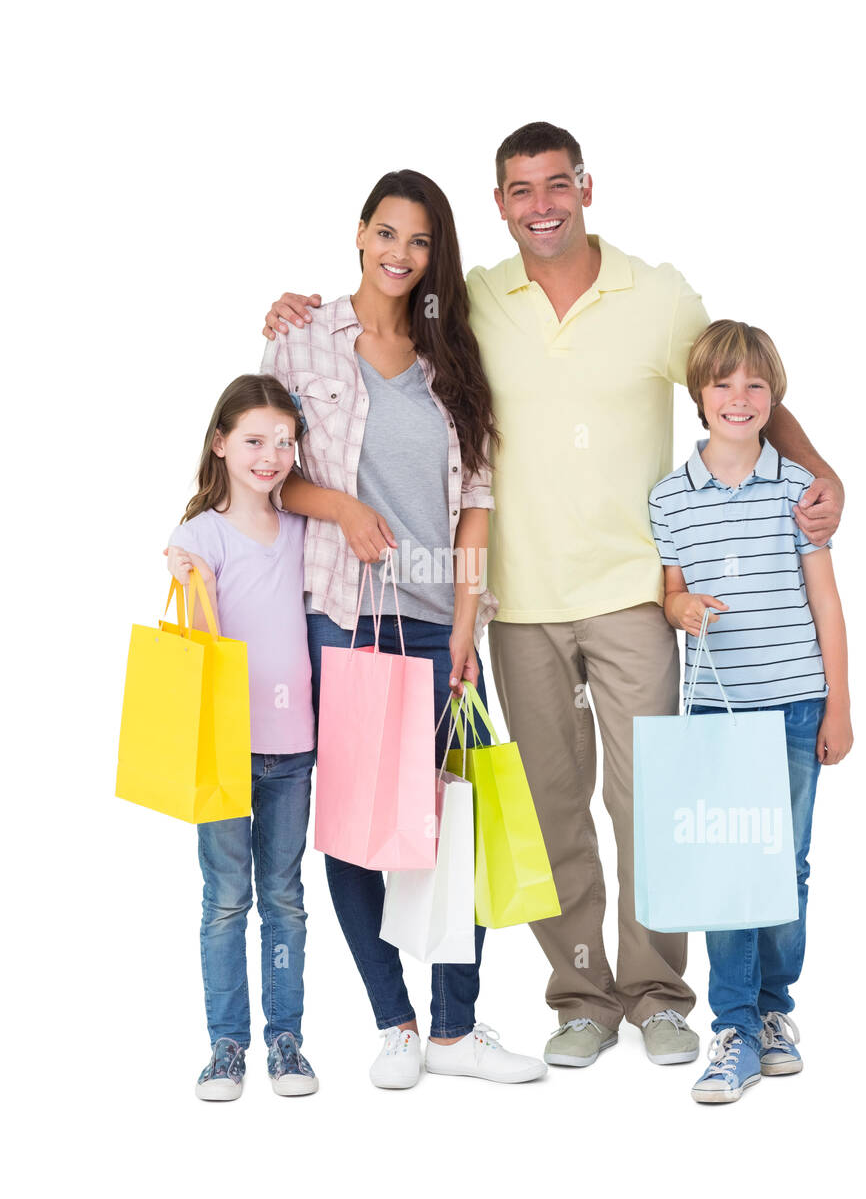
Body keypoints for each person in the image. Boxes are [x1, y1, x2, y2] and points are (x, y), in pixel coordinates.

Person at [262, 122, 844, 1072]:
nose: (542, 205)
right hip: (517, 603)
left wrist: (820, 474)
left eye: (557, 184)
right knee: (551, 811)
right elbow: (372, 329)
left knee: (649, 802)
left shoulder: (657, 295)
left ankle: (658, 994)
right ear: (499, 204)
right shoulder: (476, 301)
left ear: (586, 187)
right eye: (522, 190)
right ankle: (581, 998)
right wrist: (293, 308)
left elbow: (737, 387)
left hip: (633, 592)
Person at [261, 168, 546, 1089]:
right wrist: (343, 507)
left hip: (437, 624)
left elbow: (477, 504)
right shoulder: (301, 338)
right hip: (345, 620)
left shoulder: (452, 356)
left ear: (435, 255)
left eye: (420, 241)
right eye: (387, 233)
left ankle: (456, 1033)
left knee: (458, 820)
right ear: (359, 233)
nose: (400, 254)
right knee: (357, 825)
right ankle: (396, 1022)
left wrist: (465, 624)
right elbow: (266, 472)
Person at [649, 320, 852, 1103]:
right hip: (716, 713)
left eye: (755, 385)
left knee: (786, 866)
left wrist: (839, 704)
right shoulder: (670, 497)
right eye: (723, 384)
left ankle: (773, 1008)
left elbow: (826, 602)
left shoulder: (798, 489)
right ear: (699, 396)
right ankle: (732, 1025)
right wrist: (680, 608)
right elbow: (671, 593)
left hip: (797, 708)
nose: (740, 398)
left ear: (774, 397)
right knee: (728, 868)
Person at [166, 374, 319, 1101]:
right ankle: (226, 1046)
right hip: (223, 747)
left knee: (284, 897)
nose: (270, 456)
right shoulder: (200, 536)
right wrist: (187, 575)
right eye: (254, 440)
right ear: (221, 443)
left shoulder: (301, 528)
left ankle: (285, 1041)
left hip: (293, 746)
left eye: (284, 442)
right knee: (226, 899)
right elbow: (202, 642)